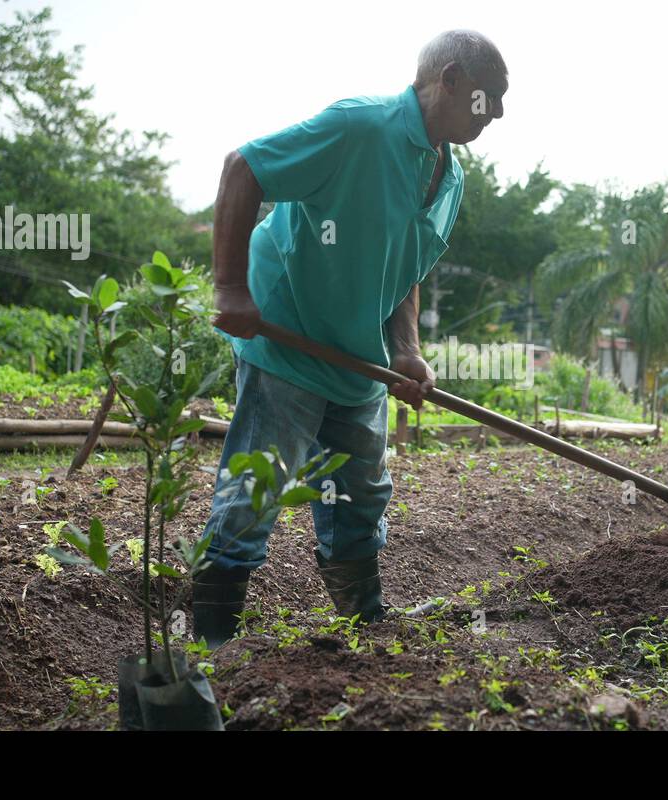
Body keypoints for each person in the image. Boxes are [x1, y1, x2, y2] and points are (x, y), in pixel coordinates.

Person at [193, 30, 508, 648]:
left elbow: (406, 266)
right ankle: (211, 642)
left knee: (362, 491)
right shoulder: (359, 128)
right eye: (488, 98)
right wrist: (230, 289)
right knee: (256, 487)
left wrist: (407, 350)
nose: (496, 113)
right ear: (449, 79)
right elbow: (243, 167)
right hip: (290, 337)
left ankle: (362, 620)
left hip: (359, 355)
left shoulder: (449, 177)